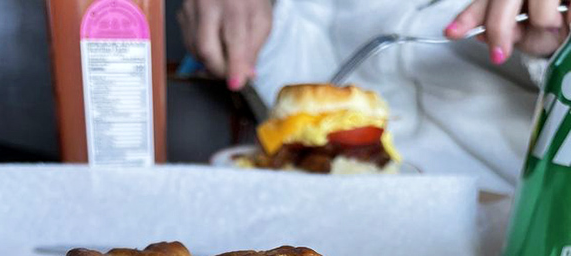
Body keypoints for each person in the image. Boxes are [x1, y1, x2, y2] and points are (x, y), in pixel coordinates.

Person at [179, 0, 570, 191]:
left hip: (515, 230)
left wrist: (558, 51)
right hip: (325, 215)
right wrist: (265, 20)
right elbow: (312, 70)